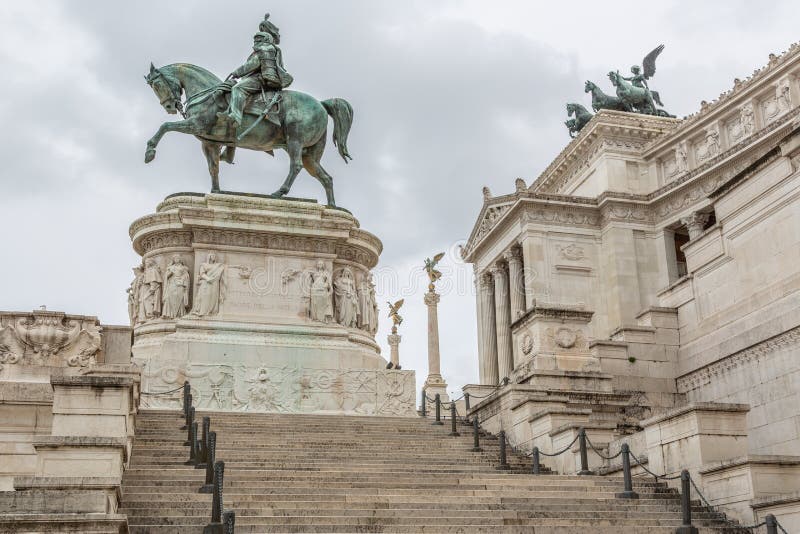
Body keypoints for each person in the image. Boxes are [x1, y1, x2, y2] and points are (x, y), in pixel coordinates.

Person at [219, 31, 293, 128]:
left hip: (260, 79)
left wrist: (237, 72)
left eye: (258, 38)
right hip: (263, 78)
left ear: (265, 39)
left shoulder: (264, 49)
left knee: (238, 88)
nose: (256, 41)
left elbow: (252, 65)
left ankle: (236, 116)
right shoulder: (271, 49)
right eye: (255, 39)